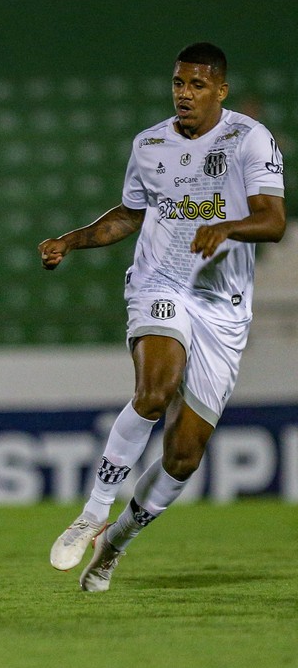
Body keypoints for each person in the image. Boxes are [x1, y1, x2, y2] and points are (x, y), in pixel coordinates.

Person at [41, 42, 286, 592]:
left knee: (184, 455)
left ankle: (113, 544)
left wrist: (227, 227)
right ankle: (92, 512)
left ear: (220, 90)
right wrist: (71, 240)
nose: (185, 94)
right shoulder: (149, 144)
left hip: (222, 306)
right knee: (155, 390)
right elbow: (130, 215)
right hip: (161, 282)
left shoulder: (250, 139)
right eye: (179, 83)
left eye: (198, 85)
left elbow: (273, 221)